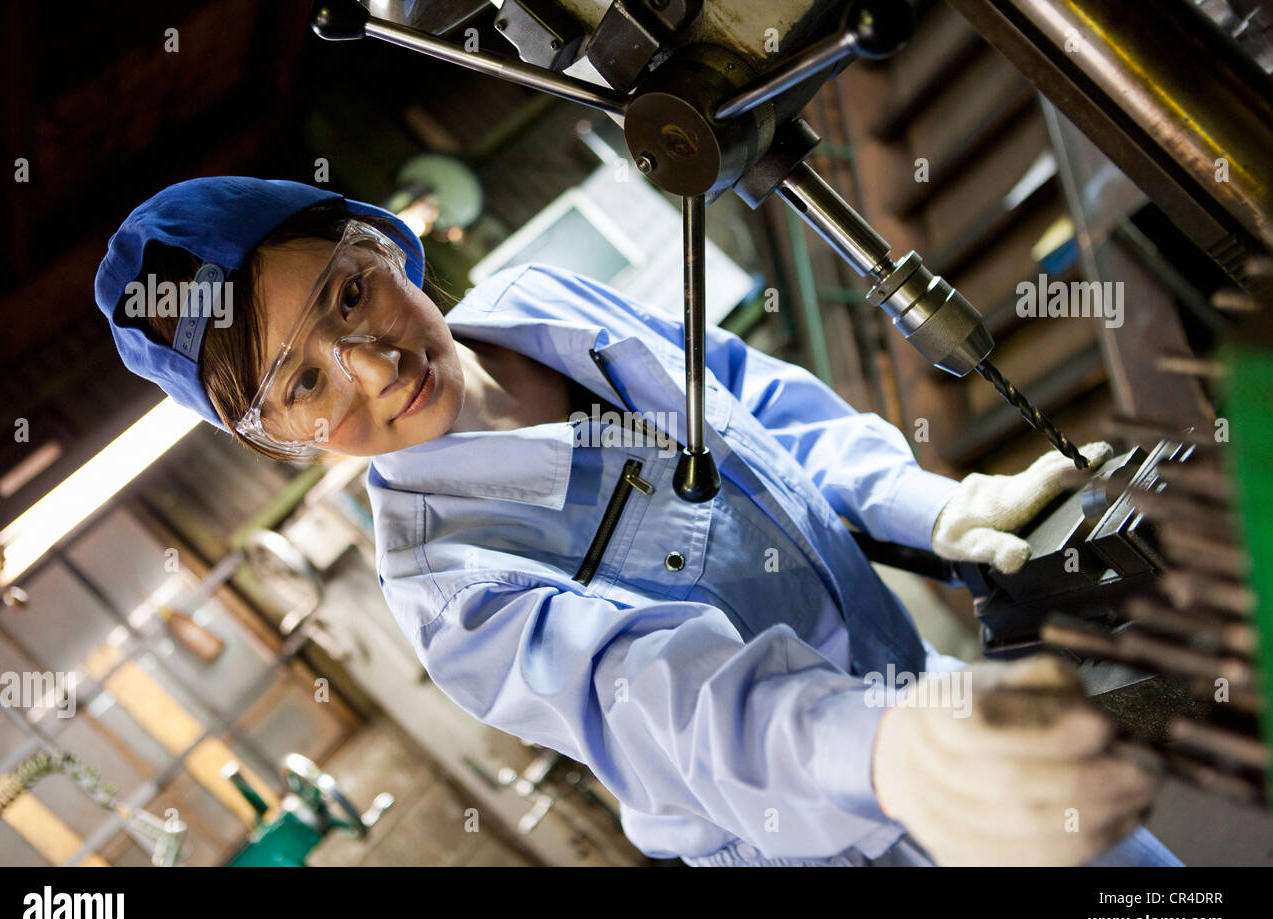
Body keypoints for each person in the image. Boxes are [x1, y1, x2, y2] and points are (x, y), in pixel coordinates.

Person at [95, 176, 1181, 867]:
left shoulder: (552, 302)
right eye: (302, 384)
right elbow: (680, 708)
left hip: (937, 718)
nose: (374, 367)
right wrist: (891, 748)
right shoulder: (451, 587)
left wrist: (929, 505)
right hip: (838, 829)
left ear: (380, 243)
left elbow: (754, 402)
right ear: (278, 439)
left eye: (344, 298)